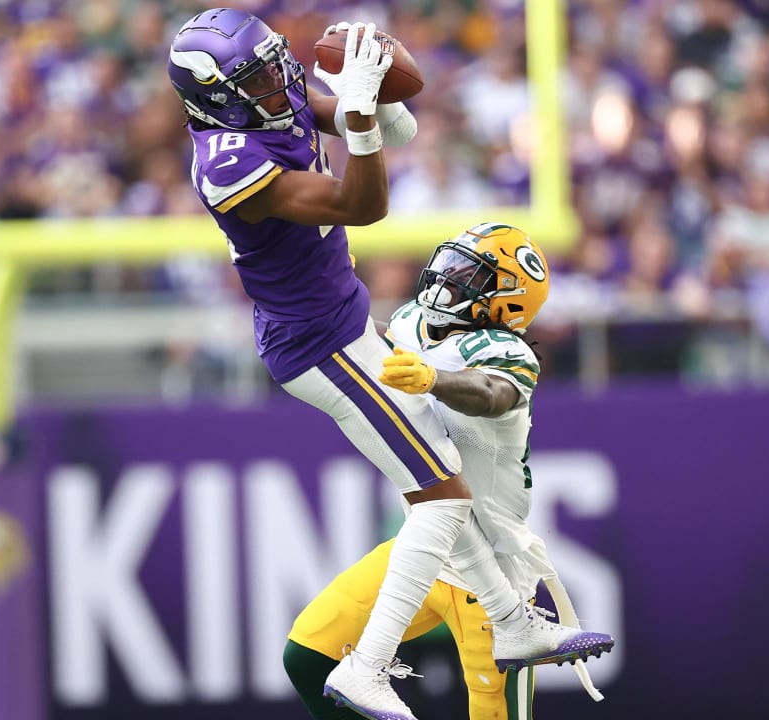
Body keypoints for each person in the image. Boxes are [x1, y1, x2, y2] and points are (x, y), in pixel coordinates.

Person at [168, 13, 613, 719]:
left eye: (275, 63)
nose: (279, 82)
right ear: (216, 95)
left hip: (340, 320)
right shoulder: (230, 162)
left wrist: (368, 94)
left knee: (444, 487)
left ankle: (514, 623)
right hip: (321, 343)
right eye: (256, 77)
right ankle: (369, 669)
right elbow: (363, 203)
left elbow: (389, 133)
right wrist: (356, 111)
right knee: (441, 497)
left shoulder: (269, 101)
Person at [283, 222, 613, 720]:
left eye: (470, 274)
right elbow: (365, 347)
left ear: (507, 301)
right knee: (308, 657)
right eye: (454, 263)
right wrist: (335, 290)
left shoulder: (511, 353)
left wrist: (434, 380)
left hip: (492, 573)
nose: (448, 278)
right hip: (428, 547)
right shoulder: (413, 319)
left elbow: (489, 393)